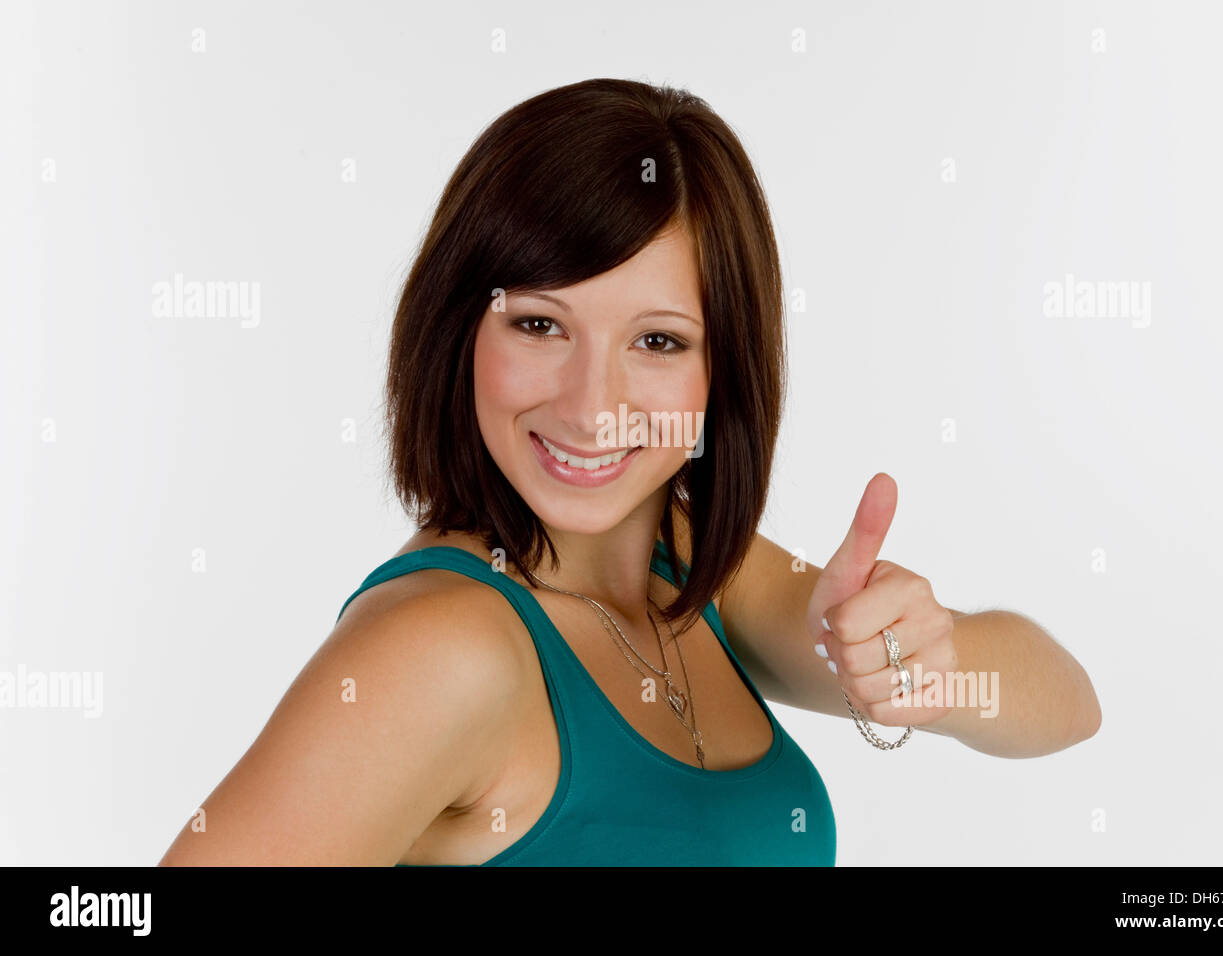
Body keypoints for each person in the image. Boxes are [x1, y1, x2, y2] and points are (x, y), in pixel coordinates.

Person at [158, 77, 1100, 867]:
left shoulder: (685, 563)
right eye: (538, 325)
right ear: (458, 332)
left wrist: (937, 662)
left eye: (656, 340)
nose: (588, 403)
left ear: (722, 370)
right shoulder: (442, 651)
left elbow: (1068, 707)